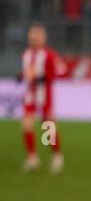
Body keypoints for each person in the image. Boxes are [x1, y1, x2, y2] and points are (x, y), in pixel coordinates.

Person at [19, 23, 66, 173]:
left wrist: (43, 78)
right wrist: (21, 76)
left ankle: (56, 155)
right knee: (27, 124)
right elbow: (27, 72)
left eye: (38, 35)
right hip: (30, 96)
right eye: (32, 35)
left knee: (47, 130)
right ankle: (32, 157)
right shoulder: (26, 54)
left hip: (45, 97)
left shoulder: (49, 54)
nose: (34, 38)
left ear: (43, 38)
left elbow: (62, 71)